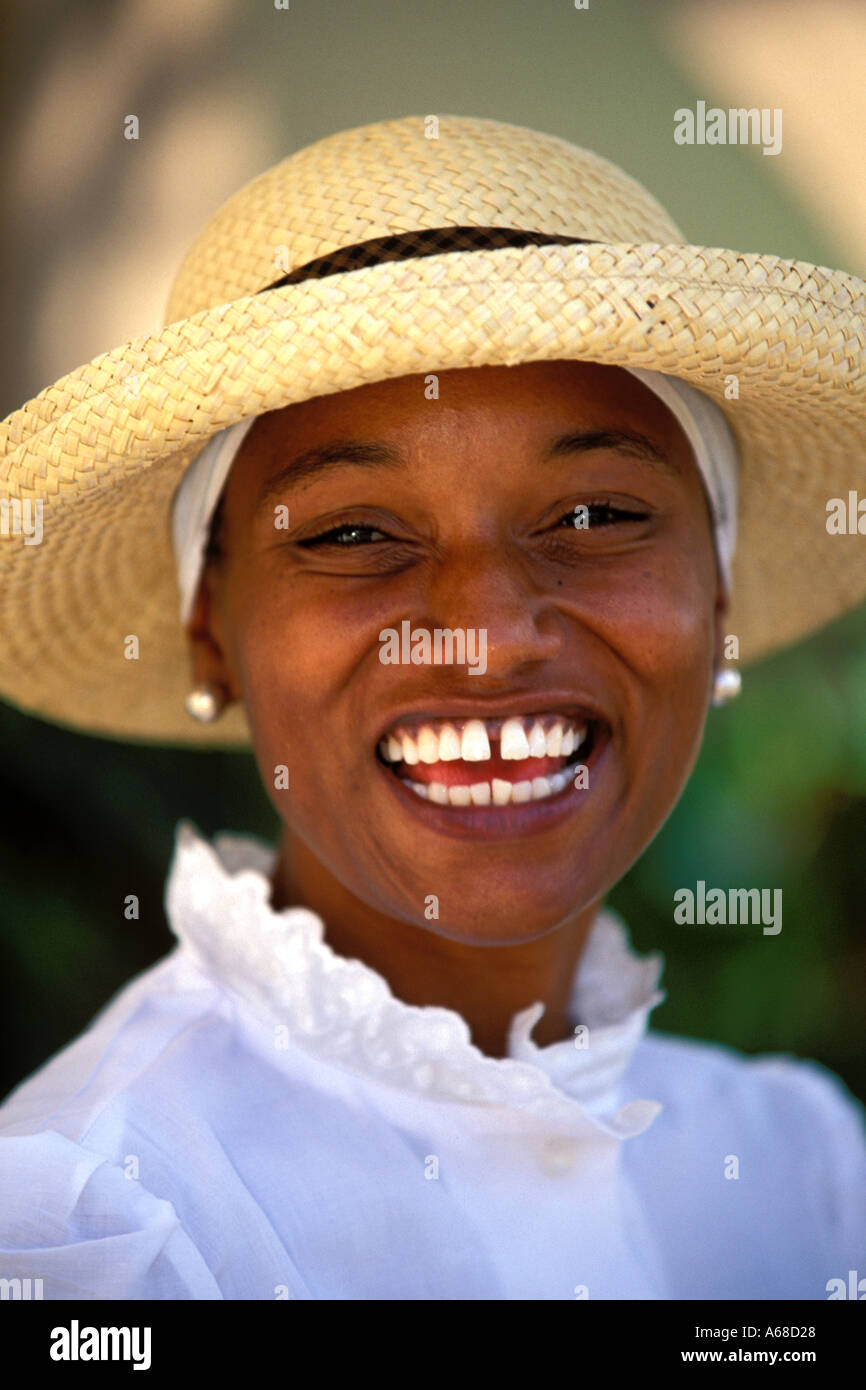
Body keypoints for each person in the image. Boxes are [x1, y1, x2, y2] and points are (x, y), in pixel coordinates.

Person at [0, 113, 863, 1300]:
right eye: (354, 534)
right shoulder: (104, 1224)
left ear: (716, 596)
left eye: (595, 515)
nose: (491, 634)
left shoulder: (798, 1165)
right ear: (211, 629)